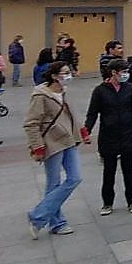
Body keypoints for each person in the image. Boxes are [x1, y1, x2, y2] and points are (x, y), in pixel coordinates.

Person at [24, 61, 88, 238]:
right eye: (64, 73)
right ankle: (56, 222)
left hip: (69, 140)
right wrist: (37, 146)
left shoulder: (65, 92)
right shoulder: (41, 96)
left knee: (75, 178)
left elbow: (73, 113)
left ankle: (38, 214)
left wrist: (82, 131)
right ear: (54, 76)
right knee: (54, 184)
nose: (68, 76)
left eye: (69, 72)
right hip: (52, 143)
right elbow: (31, 123)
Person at [84, 58, 132, 216]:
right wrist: (87, 130)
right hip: (108, 135)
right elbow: (92, 113)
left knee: (129, 170)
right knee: (109, 171)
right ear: (114, 72)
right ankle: (107, 203)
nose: (126, 74)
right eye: (124, 71)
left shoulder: (130, 88)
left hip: (128, 133)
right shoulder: (100, 91)